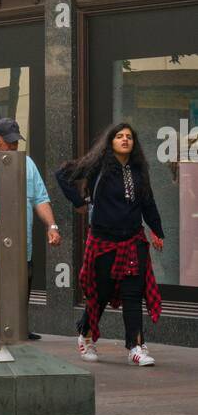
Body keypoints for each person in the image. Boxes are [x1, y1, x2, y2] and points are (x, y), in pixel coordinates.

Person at [56, 122, 163, 366]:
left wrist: (157, 231)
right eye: (119, 136)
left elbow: (148, 203)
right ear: (111, 141)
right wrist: (79, 201)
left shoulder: (139, 170)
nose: (125, 140)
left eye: (129, 137)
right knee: (99, 293)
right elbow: (62, 174)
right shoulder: (98, 165)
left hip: (133, 239)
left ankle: (135, 347)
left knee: (133, 293)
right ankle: (85, 335)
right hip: (103, 240)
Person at [0, 117, 60, 341]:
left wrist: (52, 225)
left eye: (16, 141)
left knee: (21, 284)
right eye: (9, 141)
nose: (14, 146)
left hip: (20, 240)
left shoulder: (26, 163)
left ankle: (17, 327)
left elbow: (40, 198)